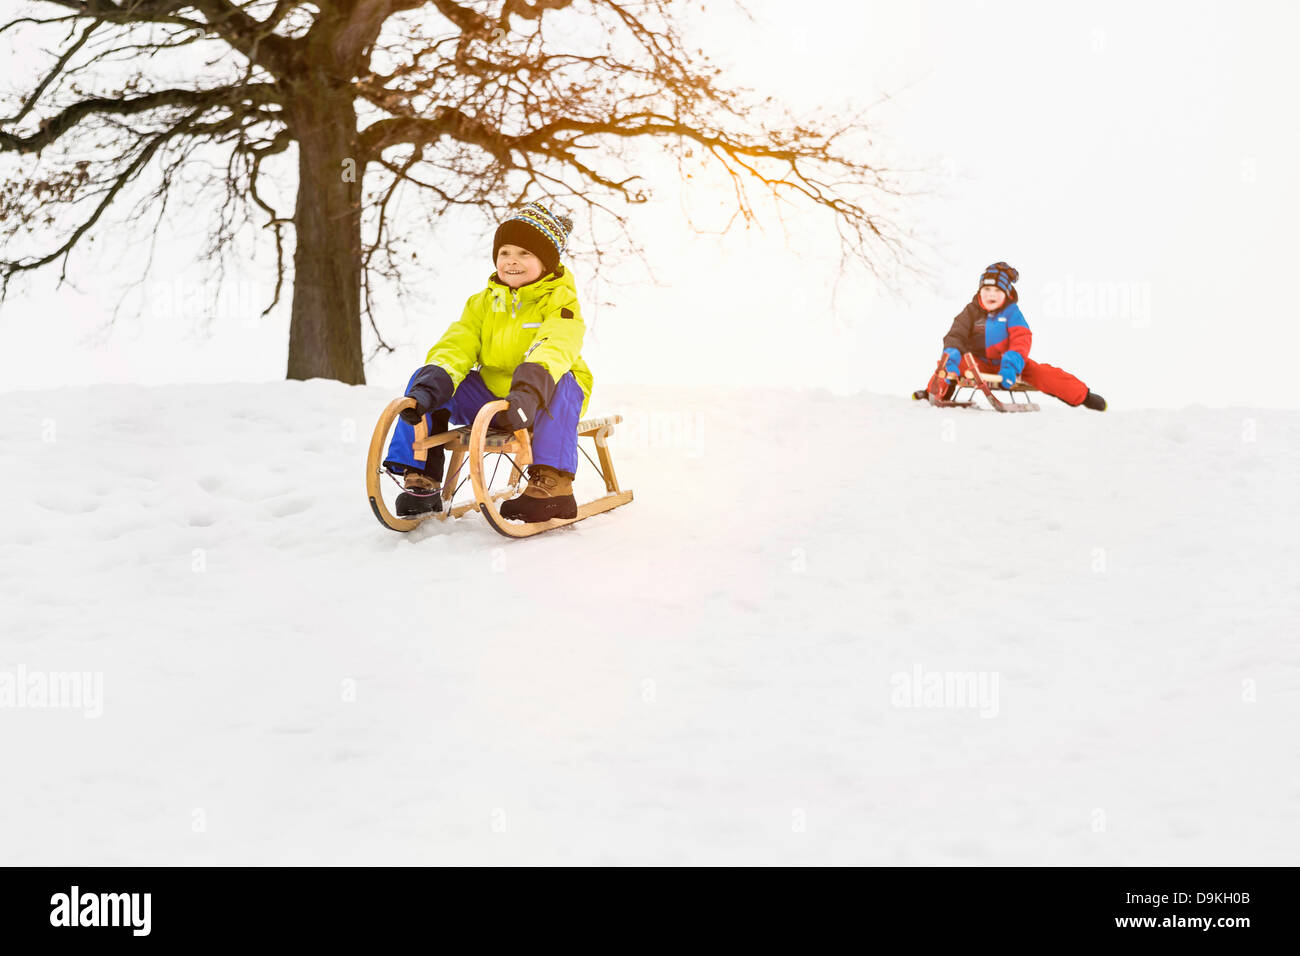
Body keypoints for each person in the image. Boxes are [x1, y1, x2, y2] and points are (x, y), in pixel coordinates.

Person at [382, 201, 594, 521]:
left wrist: (526, 394)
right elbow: (458, 345)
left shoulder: (561, 302)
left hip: (541, 397)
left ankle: (553, 484)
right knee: (430, 379)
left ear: (546, 262)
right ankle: (422, 476)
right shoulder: (481, 304)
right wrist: (434, 384)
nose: (512, 261)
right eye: (505, 252)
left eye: (525, 254)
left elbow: (554, 346)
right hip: (491, 399)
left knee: (565, 382)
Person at [928, 262, 1106, 410]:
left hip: (1009, 365)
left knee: (1044, 373)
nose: (991, 294)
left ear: (1006, 294)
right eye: (987, 289)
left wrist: (1011, 365)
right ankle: (932, 391)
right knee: (948, 364)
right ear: (980, 291)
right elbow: (955, 334)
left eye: (997, 290)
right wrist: (952, 354)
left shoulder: (1012, 313)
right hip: (976, 363)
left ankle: (1083, 396)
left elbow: (1021, 340)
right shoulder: (971, 311)